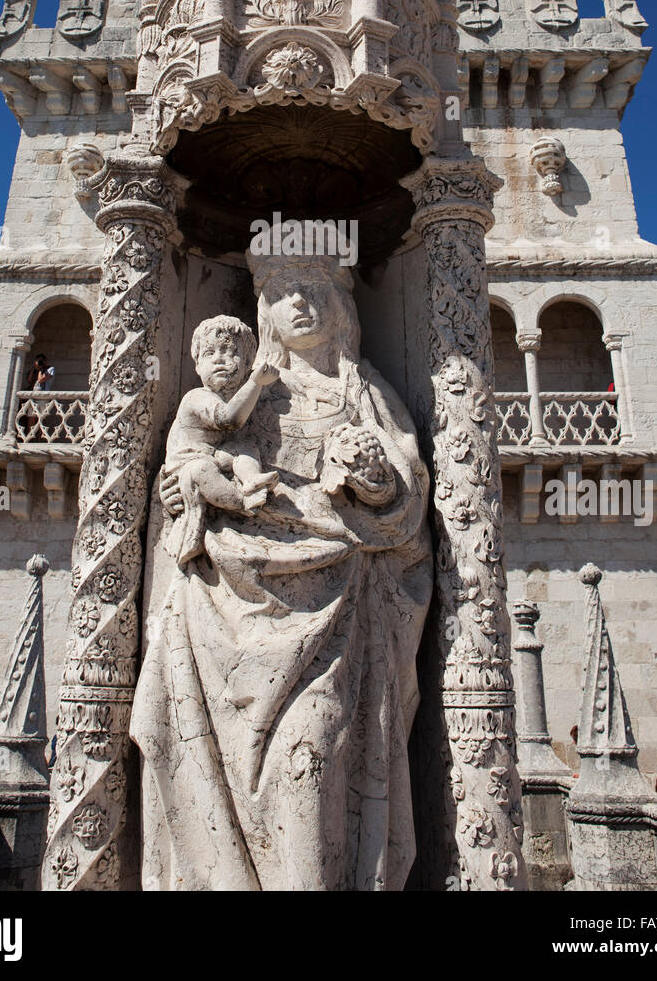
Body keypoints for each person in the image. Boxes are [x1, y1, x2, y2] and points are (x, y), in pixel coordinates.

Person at [131, 252, 432, 891]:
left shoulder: (365, 393)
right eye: (287, 292)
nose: (303, 303)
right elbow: (184, 462)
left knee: (311, 757)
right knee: (183, 743)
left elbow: (408, 494)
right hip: (223, 605)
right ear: (263, 310)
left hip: (336, 612)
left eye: (317, 290)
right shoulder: (237, 391)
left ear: (343, 308)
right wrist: (185, 484)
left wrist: (372, 482)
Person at [160, 315, 279, 566]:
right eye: (209, 353)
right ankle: (241, 501)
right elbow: (229, 419)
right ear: (197, 364)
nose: (219, 359)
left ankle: (251, 481)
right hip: (189, 466)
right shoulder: (197, 397)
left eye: (228, 351)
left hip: (216, 458)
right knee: (202, 469)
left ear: (248, 362)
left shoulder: (252, 400)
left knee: (244, 448)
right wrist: (256, 382)